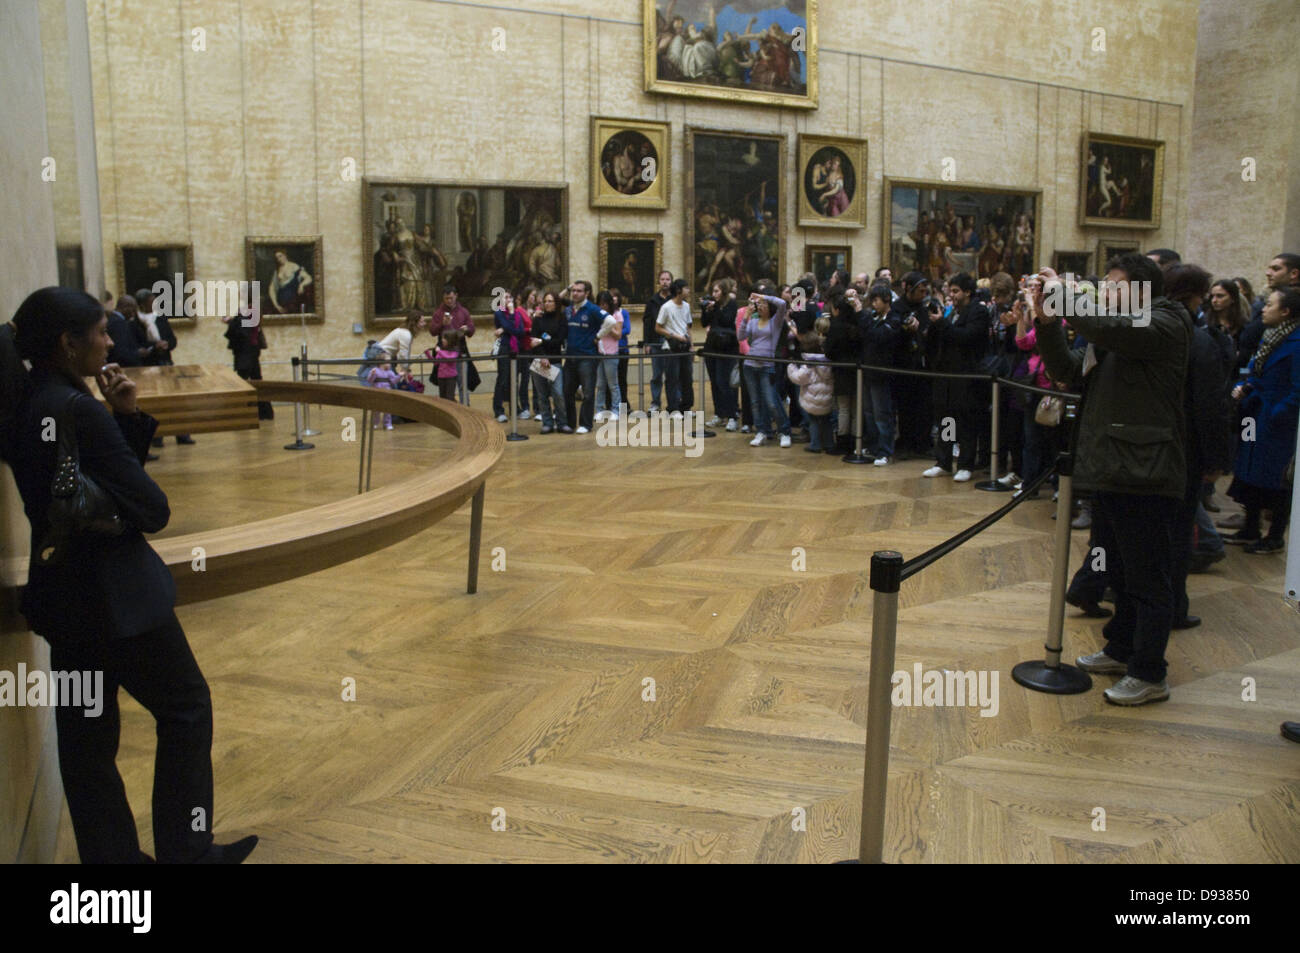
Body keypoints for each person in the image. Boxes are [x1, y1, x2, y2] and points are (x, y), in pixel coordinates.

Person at [2, 286, 258, 864]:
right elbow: (150, 508)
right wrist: (120, 419)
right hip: (120, 599)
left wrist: (124, 417)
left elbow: (83, 496)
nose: (110, 339)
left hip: (63, 600)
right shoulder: (77, 411)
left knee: (87, 746)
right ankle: (188, 851)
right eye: (98, 332)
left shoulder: (26, 403)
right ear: (69, 344)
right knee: (186, 708)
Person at [1035, 254, 1192, 706]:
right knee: (1118, 569)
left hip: (1146, 469)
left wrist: (1063, 295)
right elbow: (1066, 371)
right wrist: (1047, 322)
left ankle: (1150, 672)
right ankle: (1121, 648)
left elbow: (1114, 329)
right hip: (1112, 466)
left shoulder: (1164, 321)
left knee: (1148, 576)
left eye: (1114, 284)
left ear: (1142, 288)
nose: (1105, 292)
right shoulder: (1113, 328)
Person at [1224, 286, 1300, 553]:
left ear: (1286, 311)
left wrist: (1279, 413)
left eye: (1270, 305)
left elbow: (1297, 388)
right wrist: (1247, 387)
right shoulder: (1271, 335)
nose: (1264, 309)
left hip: (1275, 422)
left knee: (1276, 479)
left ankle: (1275, 536)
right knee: (1247, 471)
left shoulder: (1296, 341)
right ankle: (1250, 526)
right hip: (1254, 414)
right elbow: (1258, 369)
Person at [922, 273, 989, 482]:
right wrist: (934, 325)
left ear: (967, 292)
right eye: (950, 291)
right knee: (946, 419)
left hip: (967, 376)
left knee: (966, 421)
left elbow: (967, 337)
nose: (951, 295)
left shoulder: (978, 311)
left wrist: (942, 323)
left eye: (955, 291)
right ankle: (944, 461)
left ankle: (965, 463)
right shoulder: (952, 313)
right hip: (947, 375)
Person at [133, 289, 194, 447]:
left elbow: (172, 339)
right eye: (150, 300)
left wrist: (167, 344)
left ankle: (181, 434)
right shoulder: (135, 323)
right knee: (155, 402)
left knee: (175, 400)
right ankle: (157, 436)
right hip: (148, 366)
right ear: (142, 304)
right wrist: (154, 346)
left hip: (165, 362)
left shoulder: (160, 318)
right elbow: (136, 346)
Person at [738, 290, 792, 447]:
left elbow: (782, 304)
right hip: (750, 365)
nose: (760, 306)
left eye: (763, 304)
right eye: (759, 304)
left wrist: (763, 296)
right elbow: (741, 337)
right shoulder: (754, 321)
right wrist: (746, 317)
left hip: (767, 366)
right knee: (754, 402)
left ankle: (784, 431)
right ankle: (760, 431)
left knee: (771, 402)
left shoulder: (775, 321)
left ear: (769, 307)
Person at [563, 280, 603, 434]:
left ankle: (586, 424)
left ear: (586, 293)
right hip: (571, 356)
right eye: (573, 290)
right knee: (567, 391)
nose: (575, 293)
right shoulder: (568, 310)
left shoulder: (592, 309)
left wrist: (598, 336)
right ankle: (570, 422)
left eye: (579, 291)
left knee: (587, 392)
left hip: (588, 357)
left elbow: (610, 321)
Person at [223, 301, 273, 420]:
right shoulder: (253, 309)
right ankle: (265, 413)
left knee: (244, 383)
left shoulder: (249, 310)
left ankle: (245, 413)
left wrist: (230, 321)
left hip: (245, 352)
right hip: (251, 351)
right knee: (256, 381)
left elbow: (242, 330)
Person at [701, 278, 740, 429]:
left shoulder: (731, 304)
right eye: (713, 291)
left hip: (727, 348)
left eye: (716, 291)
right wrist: (706, 309)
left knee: (725, 382)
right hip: (712, 347)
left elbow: (727, 320)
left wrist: (715, 307)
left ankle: (732, 415)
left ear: (723, 291)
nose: (714, 294)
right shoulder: (714, 306)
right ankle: (719, 414)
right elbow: (705, 323)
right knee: (715, 383)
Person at [529, 291, 569, 433]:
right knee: (542, 394)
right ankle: (547, 423)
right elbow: (534, 341)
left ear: (556, 303)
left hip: (555, 361)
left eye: (550, 301)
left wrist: (543, 341)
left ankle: (562, 422)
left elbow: (558, 341)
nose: (547, 304)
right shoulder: (538, 319)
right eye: (545, 301)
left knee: (558, 393)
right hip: (539, 361)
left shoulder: (562, 318)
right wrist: (542, 356)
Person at [787, 327, 833, 452]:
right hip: (827, 398)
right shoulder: (827, 361)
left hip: (812, 399)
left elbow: (799, 378)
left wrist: (791, 367)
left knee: (813, 422)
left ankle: (815, 444)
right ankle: (829, 444)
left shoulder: (808, 363)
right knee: (827, 422)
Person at [655, 279, 694, 418]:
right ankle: (673, 409)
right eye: (686, 288)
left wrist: (691, 345)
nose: (688, 291)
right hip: (671, 347)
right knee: (672, 379)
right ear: (678, 290)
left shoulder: (687, 306)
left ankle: (686, 407)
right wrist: (674, 335)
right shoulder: (666, 307)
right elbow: (658, 327)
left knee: (687, 378)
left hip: (685, 347)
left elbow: (688, 327)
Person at [491, 291, 529, 422]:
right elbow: (510, 326)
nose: (508, 300)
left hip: (516, 349)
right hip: (505, 349)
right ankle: (498, 410)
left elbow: (520, 332)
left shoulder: (518, 313)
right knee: (502, 380)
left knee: (514, 380)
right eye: (505, 298)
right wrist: (511, 315)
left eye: (510, 297)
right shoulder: (499, 313)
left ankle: (515, 409)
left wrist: (504, 329)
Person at [643, 271, 673, 412]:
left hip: (672, 341)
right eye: (662, 279)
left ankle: (673, 403)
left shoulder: (675, 300)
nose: (665, 282)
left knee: (672, 374)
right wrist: (647, 343)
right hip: (656, 341)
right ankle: (655, 402)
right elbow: (647, 323)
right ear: (659, 282)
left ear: (671, 282)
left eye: (667, 279)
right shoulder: (652, 301)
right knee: (656, 375)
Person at [594, 290, 624, 422]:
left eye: (605, 304)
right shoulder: (596, 314)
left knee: (613, 384)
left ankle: (616, 410)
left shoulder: (617, 315)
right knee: (600, 384)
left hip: (611, 353)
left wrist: (608, 326)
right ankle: (599, 410)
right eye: (600, 304)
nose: (602, 307)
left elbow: (618, 335)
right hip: (599, 352)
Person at [366, 361, 400, 430]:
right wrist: (372, 374)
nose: (390, 364)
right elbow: (370, 380)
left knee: (387, 409)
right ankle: (375, 423)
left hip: (387, 392)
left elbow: (393, 381)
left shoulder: (390, 372)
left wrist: (399, 375)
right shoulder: (375, 370)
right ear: (382, 363)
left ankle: (387, 423)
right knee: (376, 409)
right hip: (377, 393)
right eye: (388, 362)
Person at [432, 330, 462, 400]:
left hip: (450, 377)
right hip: (441, 377)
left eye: (444, 338)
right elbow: (436, 363)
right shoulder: (442, 351)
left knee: (450, 397)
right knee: (442, 397)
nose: (442, 340)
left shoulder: (455, 351)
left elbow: (450, 360)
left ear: (450, 340)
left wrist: (439, 351)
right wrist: (428, 354)